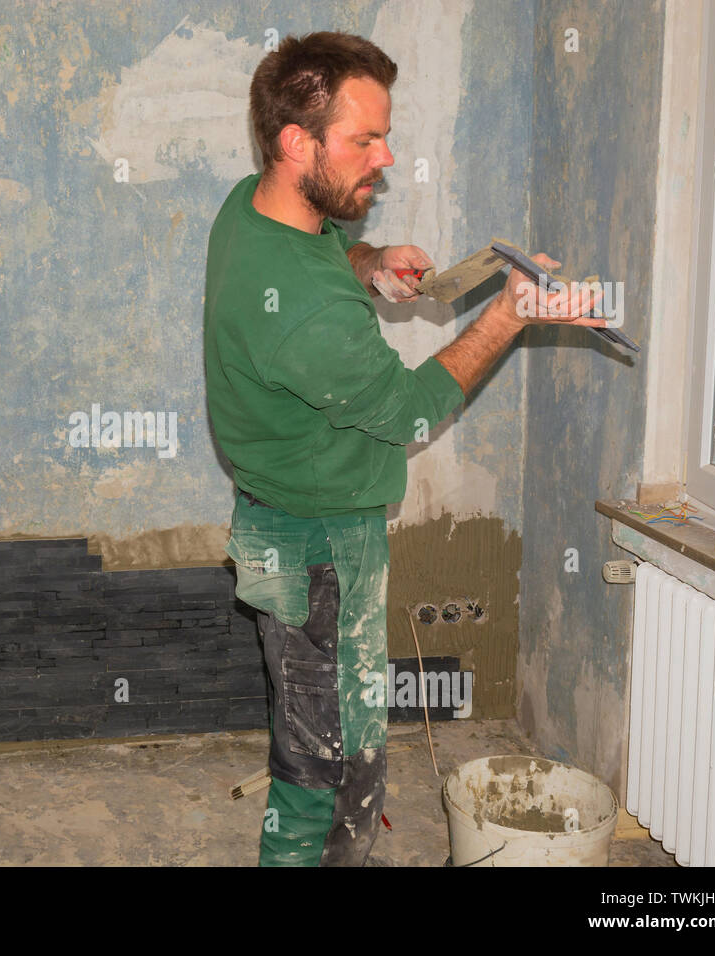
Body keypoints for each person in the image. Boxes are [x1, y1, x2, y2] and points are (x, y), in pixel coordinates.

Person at [202, 30, 603, 866]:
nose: (385, 158)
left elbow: (315, 260)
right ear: (294, 142)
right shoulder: (310, 317)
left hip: (284, 520)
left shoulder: (256, 208)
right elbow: (413, 411)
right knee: (327, 773)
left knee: (321, 740)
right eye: (363, 140)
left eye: (383, 134)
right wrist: (505, 318)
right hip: (320, 549)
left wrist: (370, 262)